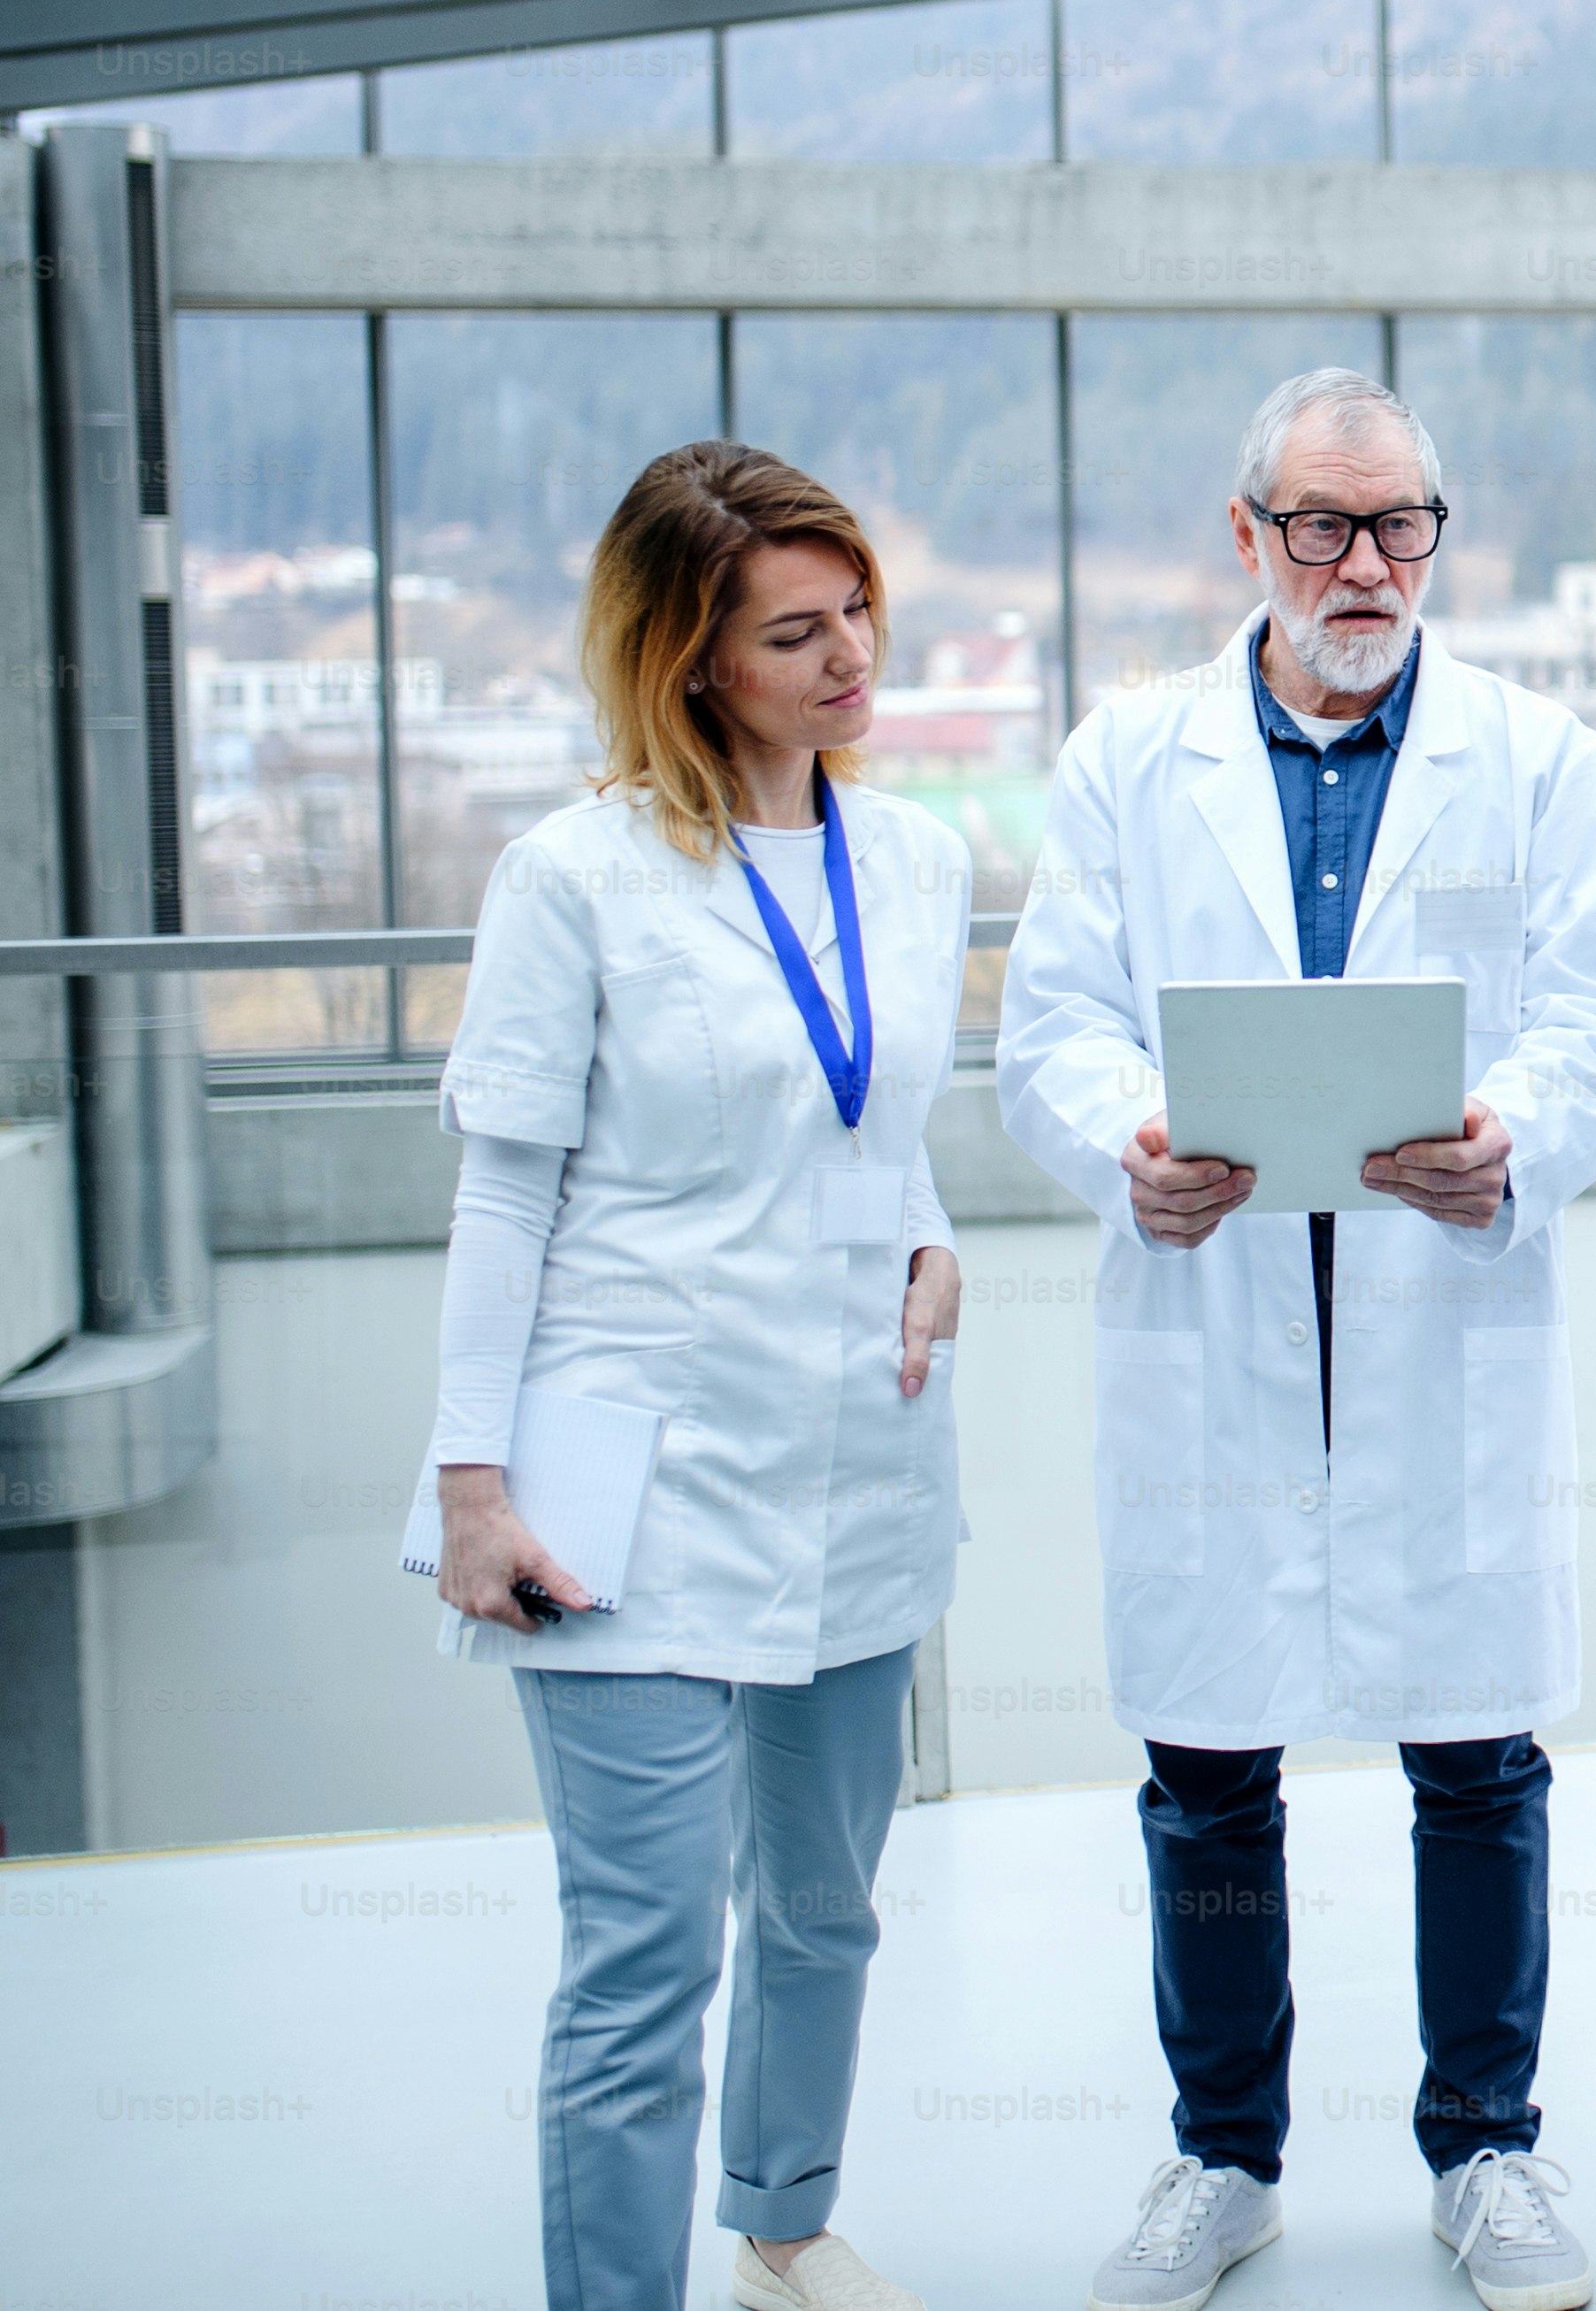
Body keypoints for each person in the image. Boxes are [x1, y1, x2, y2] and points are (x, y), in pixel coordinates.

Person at [997, 369, 1596, 2311]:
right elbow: (1051, 1031)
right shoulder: (1129, 762)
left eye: (1401, 528)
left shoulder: (1542, 762)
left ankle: (1490, 2151)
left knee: (1478, 1762)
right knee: (1207, 1766)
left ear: (1441, 535)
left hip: (1439, 1322)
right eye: (1322, 526)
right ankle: (1221, 2159)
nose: (1365, 565)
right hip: (1215, 1328)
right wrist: (1125, 1142)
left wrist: (1511, 1141)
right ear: (1247, 537)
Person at [419, 443, 971, 2311]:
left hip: (856, 1452)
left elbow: (880, 1129)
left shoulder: (917, 858)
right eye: (796, 634)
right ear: (690, 664)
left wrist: (932, 1238)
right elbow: (506, 1190)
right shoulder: (571, 878)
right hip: (619, 1475)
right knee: (642, 1960)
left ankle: (785, 2223)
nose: (851, 663)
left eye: (860, 616)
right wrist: (468, 1486)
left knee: (821, 1913)